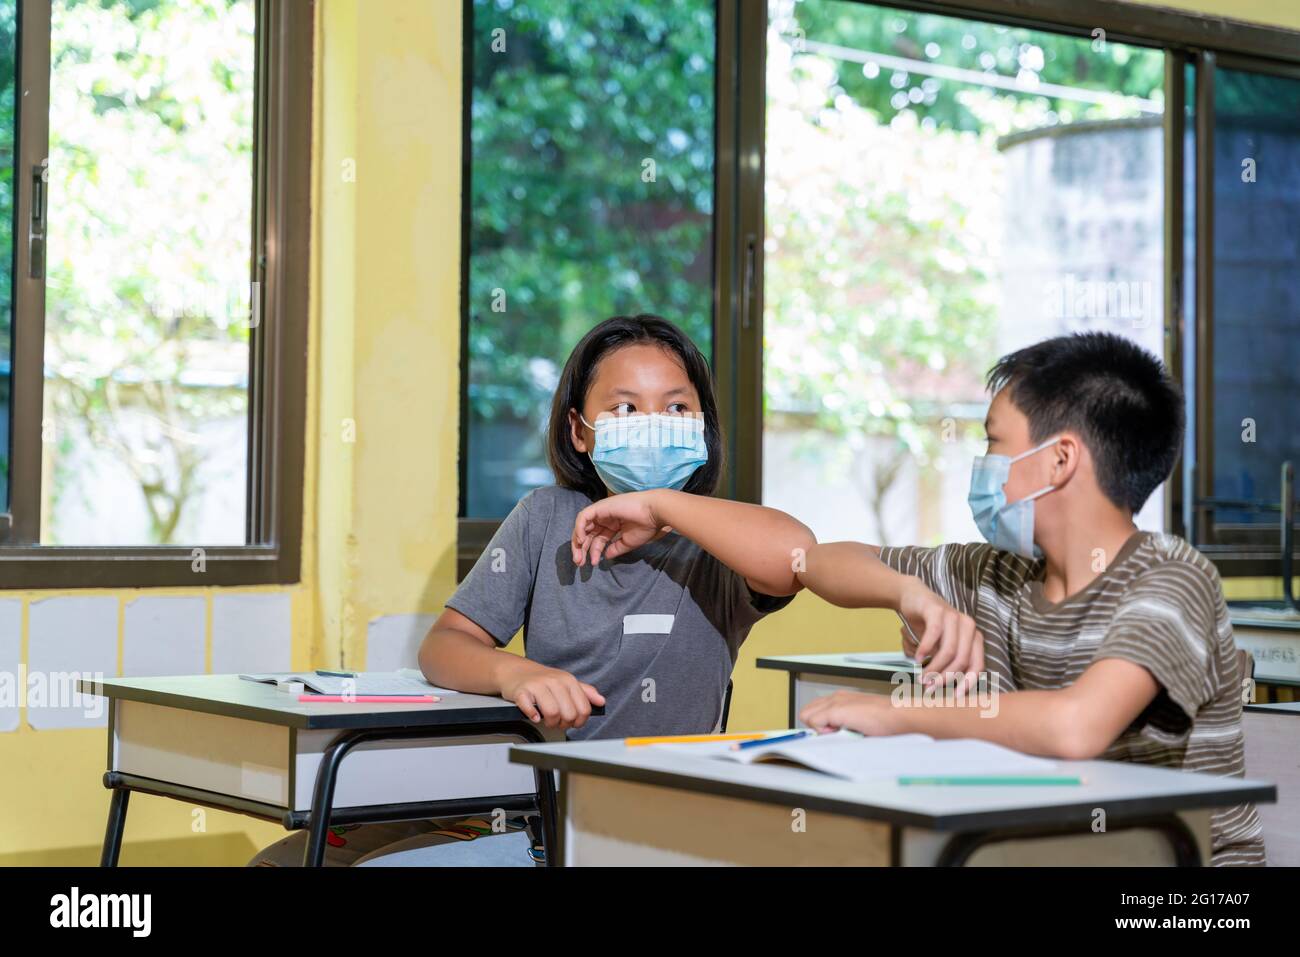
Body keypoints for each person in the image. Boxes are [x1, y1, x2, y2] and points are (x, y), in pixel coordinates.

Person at [795, 332, 1265, 866]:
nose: (983, 465)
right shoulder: (997, 575)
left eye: (995, 443)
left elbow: (1075, 727)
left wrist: (895, 714)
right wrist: (909, 593)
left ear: (1059, 460)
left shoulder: (1173, 578)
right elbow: (817, 561)